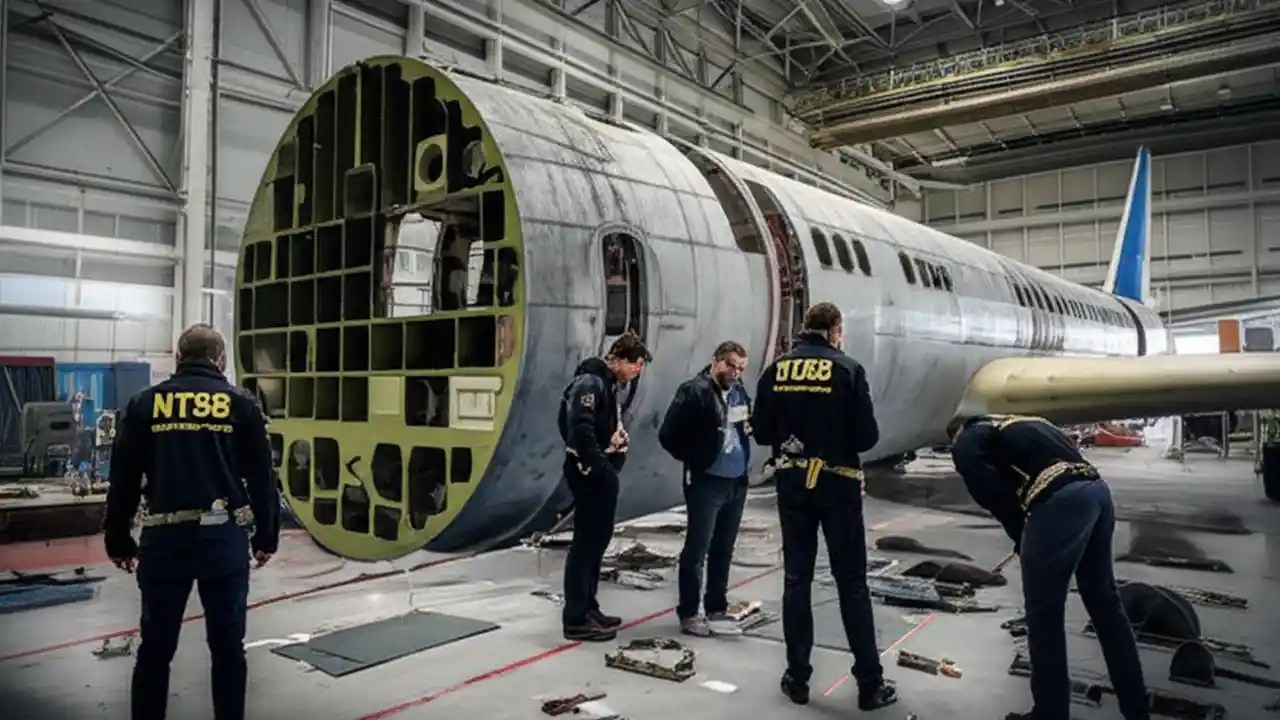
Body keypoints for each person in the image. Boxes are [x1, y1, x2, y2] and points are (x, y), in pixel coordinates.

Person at [102, 324, 279, 720]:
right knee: (228, 648)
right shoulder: (241, 405)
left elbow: (123, 480)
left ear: (178, 358)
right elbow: (262, 479)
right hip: (224, 542)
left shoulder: (144, 404)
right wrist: (266, 537)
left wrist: (118, 540)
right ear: (221, 359)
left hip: (164, 541)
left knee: (155, 649)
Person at [946, 413, 1149, 720]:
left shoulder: (968, 438)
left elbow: (988, 488)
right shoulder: (1026, 424)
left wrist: (1021, 534)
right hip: (1097, 492)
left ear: (958, 431)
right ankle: (1137, 708)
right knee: (1106, 605)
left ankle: (1050, 713)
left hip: (1059, 502)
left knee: (1044, 617)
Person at [751, 302, 897, 710]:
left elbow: (761, 431)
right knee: (851, 583)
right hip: (838, 485)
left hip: (793, 486)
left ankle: (797, 678)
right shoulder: (847, 370)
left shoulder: (777, 370)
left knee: (797, 580)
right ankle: (869, 684)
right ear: (834, 330)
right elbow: (866, 438)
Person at [557, 330, 651, 641]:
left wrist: (613, 441)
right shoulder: (590, 382)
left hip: (597, 469)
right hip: (589, 473)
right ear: (619, 360)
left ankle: (589, 606)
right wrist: (601, 466)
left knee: (597, 542)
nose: (637, 371)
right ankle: (575, 618)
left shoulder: (607, 386)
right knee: (585, 545)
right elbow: (579, 430)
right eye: (636, 364)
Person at [658, 341, 752, 637]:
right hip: (707, 482)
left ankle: (716, 607)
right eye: (730, 365)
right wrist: (696, 459)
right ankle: (689, 612)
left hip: (735, 482)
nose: (735, 373)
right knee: (697, 548)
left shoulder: (738, 392)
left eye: (740, 368)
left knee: (724, 548)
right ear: (715, 361)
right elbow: (669, 435)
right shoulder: (694, 392)